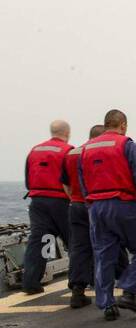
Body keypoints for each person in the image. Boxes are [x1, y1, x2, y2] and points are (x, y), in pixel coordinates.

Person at [78, 109, 136, 319]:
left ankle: (107, 305)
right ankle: (129, 289)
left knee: (104, 256)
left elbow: (82, 180)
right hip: (123, 204)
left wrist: (91, 204)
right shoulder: (127, 145)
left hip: (96, 208)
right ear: (122, 125)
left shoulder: (85, 149)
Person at [62, 124, 130, 309]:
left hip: (76, 205)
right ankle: (129, 280)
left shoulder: (71, 154)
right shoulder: (105, 152)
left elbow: (65, 184)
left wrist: (76, 199)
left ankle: (77, 291)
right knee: (114, 242)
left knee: (79, 248)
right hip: (99, 204)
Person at [20, 120, 73, 295]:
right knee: (75, 242)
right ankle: (79, 282)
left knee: (41, 242)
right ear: (67, 133)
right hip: (61, 203)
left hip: (38, 203)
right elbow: (72, 181)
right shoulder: (68, 151)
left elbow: (28, 181)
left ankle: (31, 282)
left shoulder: (34, 151)